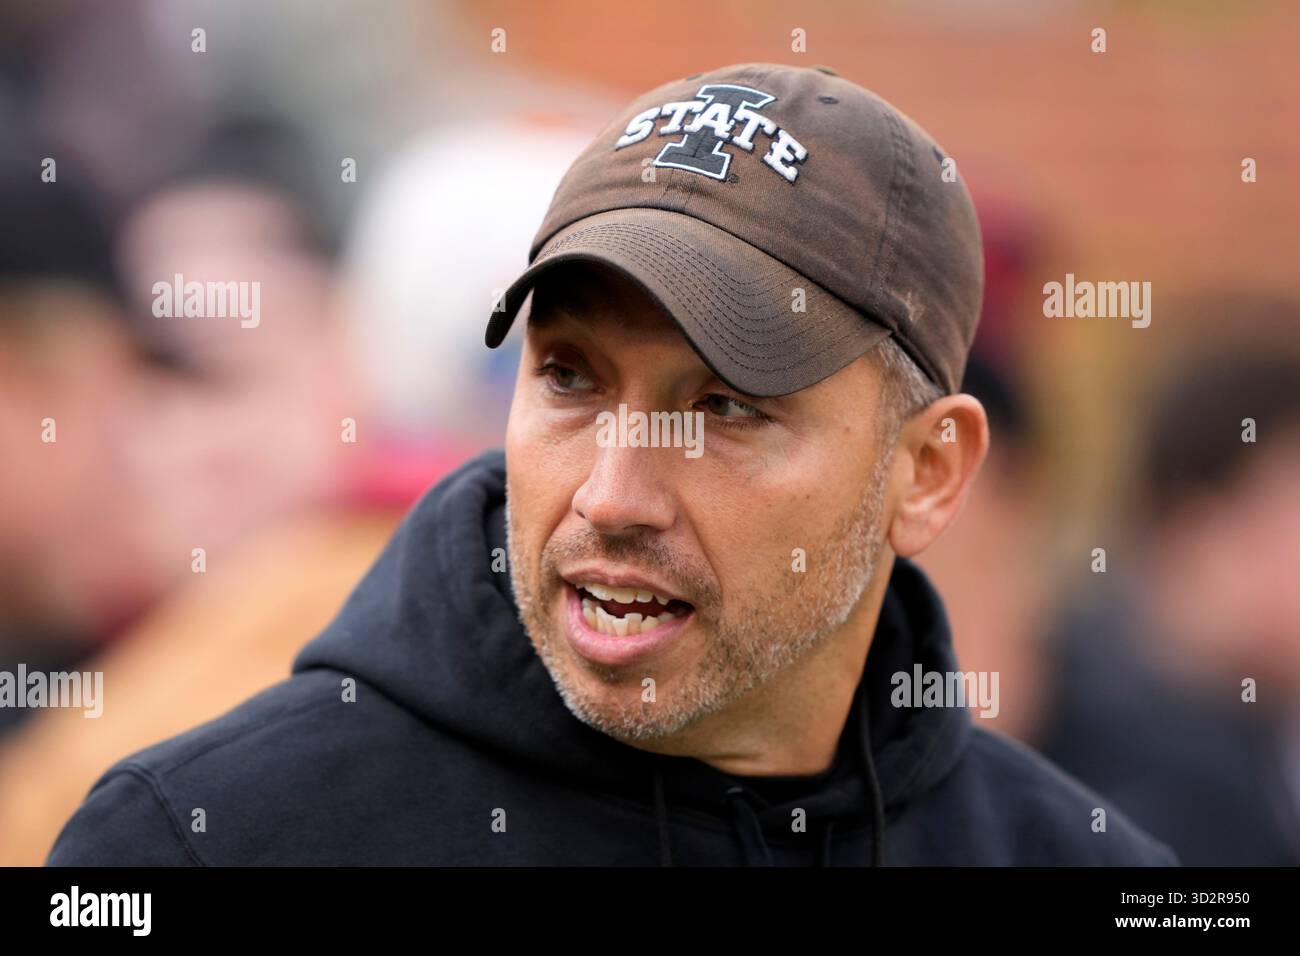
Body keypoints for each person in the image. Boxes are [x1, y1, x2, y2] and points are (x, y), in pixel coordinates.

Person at [47, 63, 1175, 866]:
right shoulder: (200, 837)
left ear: (928, 471)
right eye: (570, 378)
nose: (609, 495)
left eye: (726, 406)